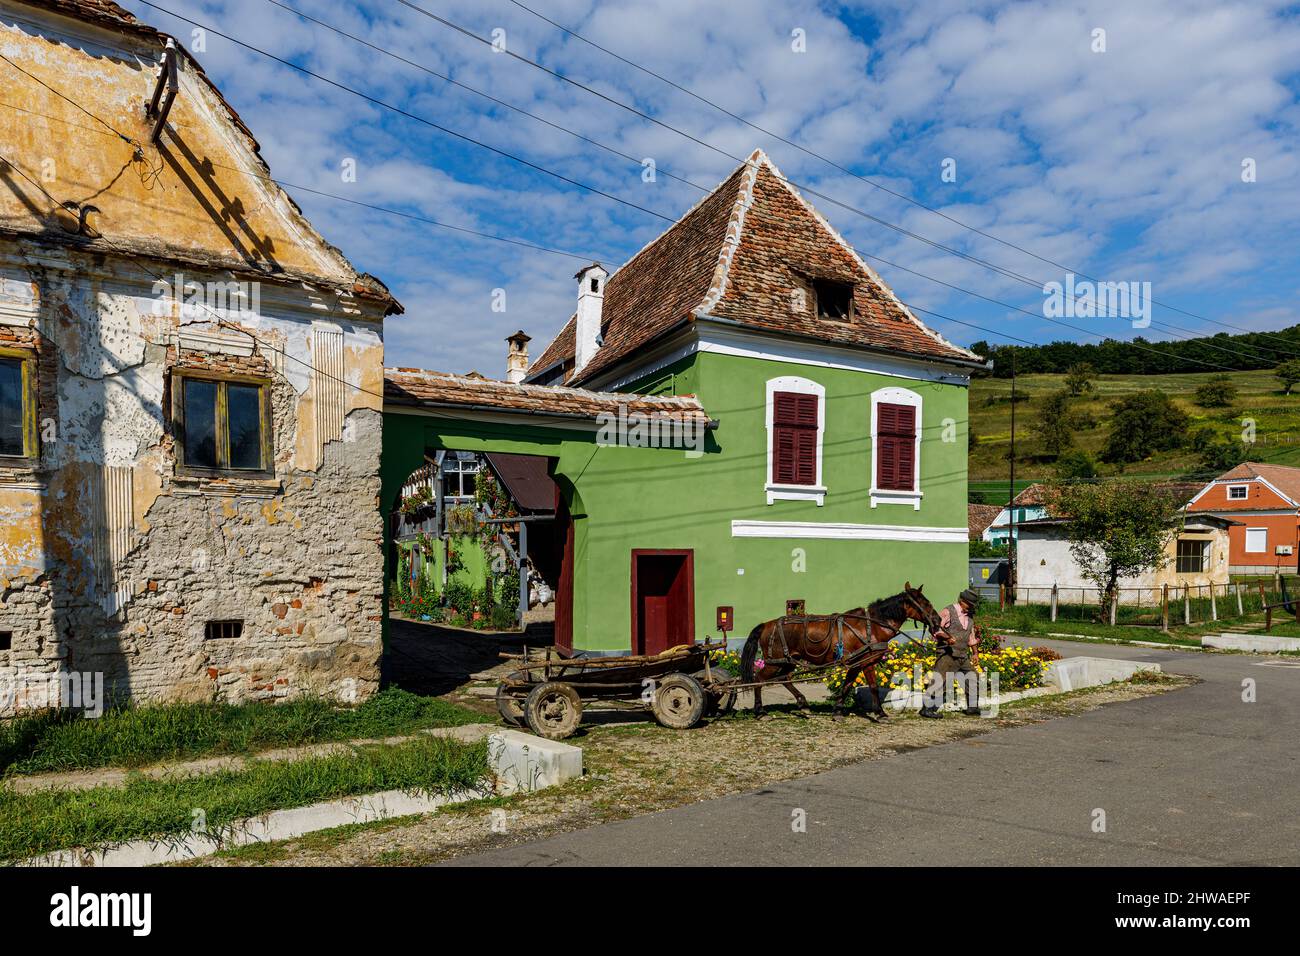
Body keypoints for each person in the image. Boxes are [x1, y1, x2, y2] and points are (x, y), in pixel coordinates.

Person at [920, 589, 982, 718]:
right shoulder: (948, 611)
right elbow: (935, 629)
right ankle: (927, 709)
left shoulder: (969, 617)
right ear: (962, 601)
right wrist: (947, 638)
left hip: (962, 655)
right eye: (969, 605)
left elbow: (971, 637)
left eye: (972, 605)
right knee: (939, 680)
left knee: (972, 677)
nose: (970, 608)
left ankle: (972, 707)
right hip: (947, 654)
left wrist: (975, 653)